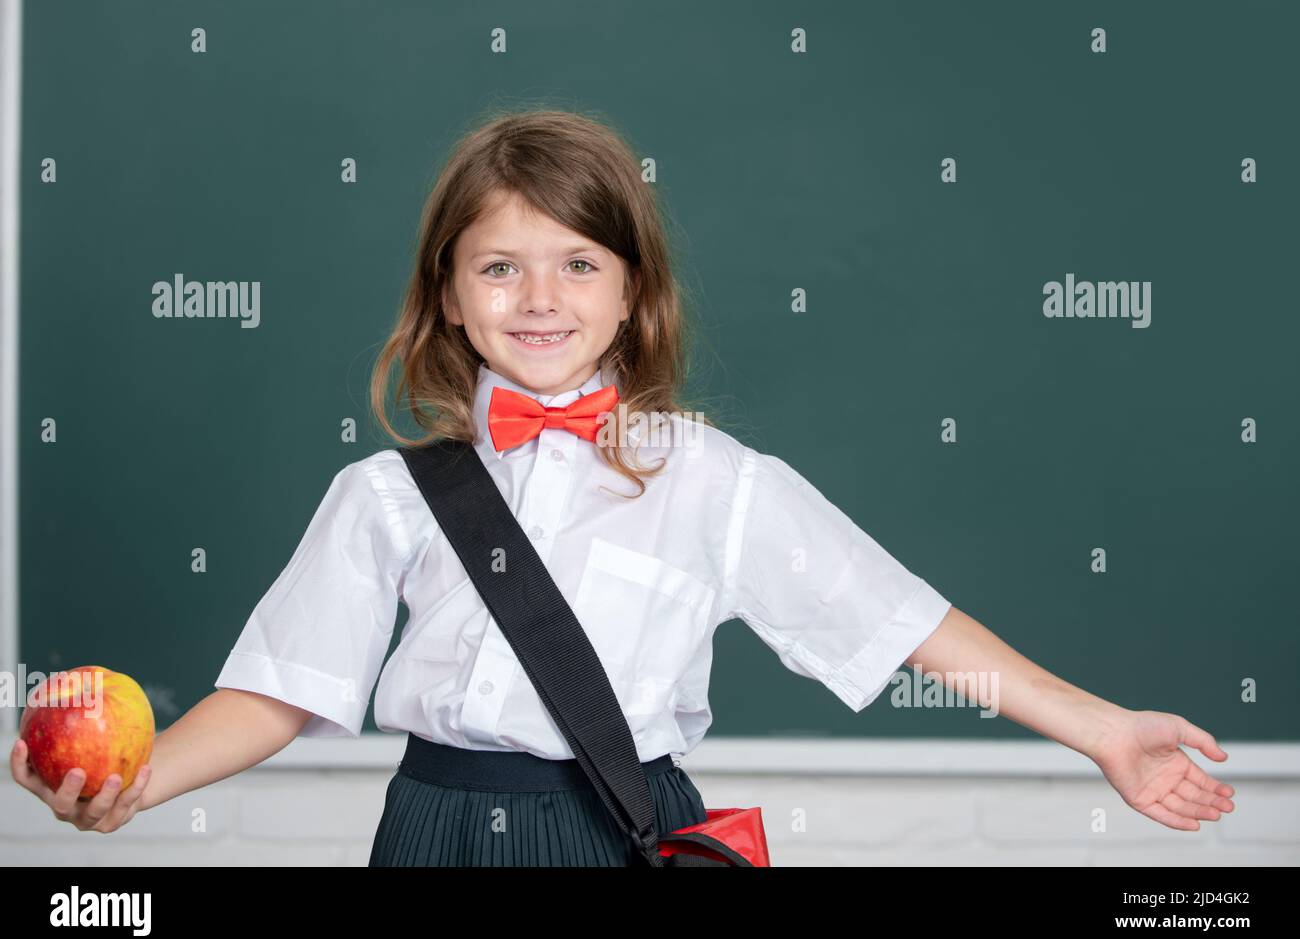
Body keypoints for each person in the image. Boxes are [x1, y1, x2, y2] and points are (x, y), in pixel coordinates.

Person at [9, 109, 1235, 863]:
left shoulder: (710, 479)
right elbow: (280, 689)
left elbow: (898, 619)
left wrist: (1102, 729)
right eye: (498, 266)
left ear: (632, 293)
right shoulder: (385, 496)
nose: (538, 298)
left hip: (621, 827)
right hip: (433, 827)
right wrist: (139, 778)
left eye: (576, 263)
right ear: (448, 292)